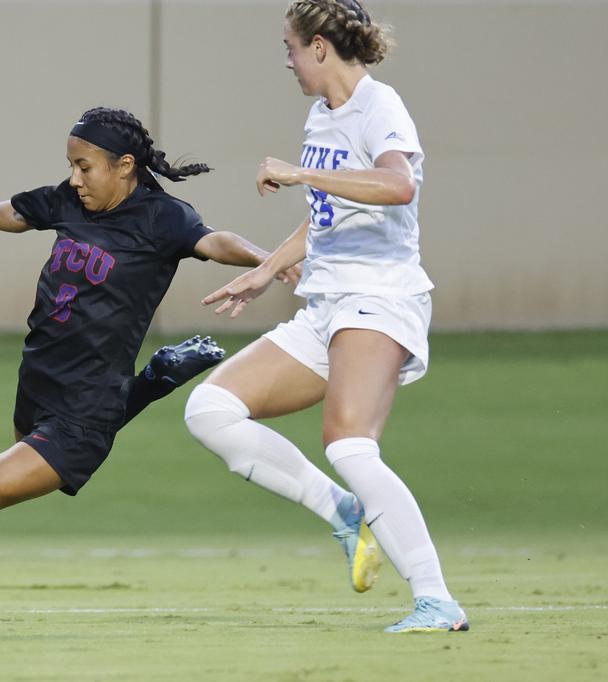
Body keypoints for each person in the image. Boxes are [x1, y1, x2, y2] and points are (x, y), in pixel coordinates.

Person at [0, 106, 281, 625]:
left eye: (85, 166)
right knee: (16, 456)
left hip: (84, 412)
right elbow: (20, 213)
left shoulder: (163, 218)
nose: (74, 177)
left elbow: (215, 241)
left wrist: (271, 263)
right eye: (71, 165)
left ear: (125, 165)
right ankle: (154, 380)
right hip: (39, 382)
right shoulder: (72, 201)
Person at [184, 0, 469, 633]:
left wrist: (299, 172)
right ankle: (343, 511)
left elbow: (398, 186)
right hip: (330, 300)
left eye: (289, 47)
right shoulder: (321, 115)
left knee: (349, 443)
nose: (286, 60)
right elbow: (328, 215)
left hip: (381, 296)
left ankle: (436, 600)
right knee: (209, 410)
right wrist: (263, 273)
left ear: (319, 46)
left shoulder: (380, 106)